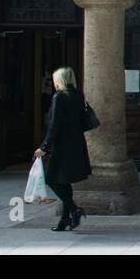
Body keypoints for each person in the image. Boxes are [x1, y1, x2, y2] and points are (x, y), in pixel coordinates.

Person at [35, 66, 91, 232]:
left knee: (51, 179)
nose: (54, 83)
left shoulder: (59, 97)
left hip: (61, 145)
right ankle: (65, 219)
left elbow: (54, 125)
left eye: (55, 79)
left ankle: (74, 210)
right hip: (76, 143)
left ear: (60, 80)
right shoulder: (77, 95)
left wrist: (44, 147)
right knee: (64, 181)